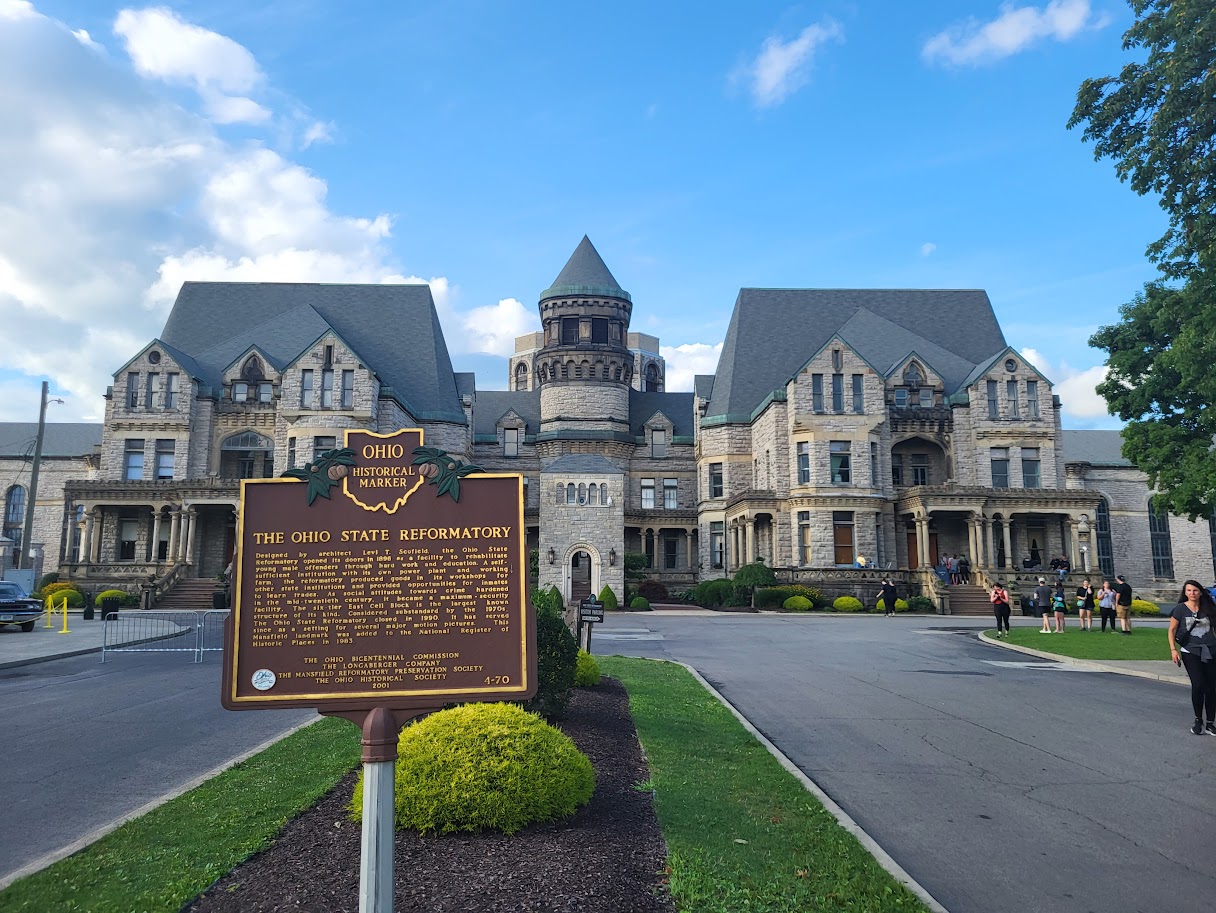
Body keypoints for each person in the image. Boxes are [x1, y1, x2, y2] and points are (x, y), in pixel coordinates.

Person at [1167, 580, 1216, 736]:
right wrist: (1173, 650)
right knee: (1198, 684)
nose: (1192, 593)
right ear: (1185, 592)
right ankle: (1197, 720)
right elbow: (1172, 630)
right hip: (1190, 651)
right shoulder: (1180, 609)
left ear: (1200, 592)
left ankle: (1210, 722)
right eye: (1189, 590)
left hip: (1210, 650)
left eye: (1195, 590)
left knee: (1212, 687)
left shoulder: (1209, 608)